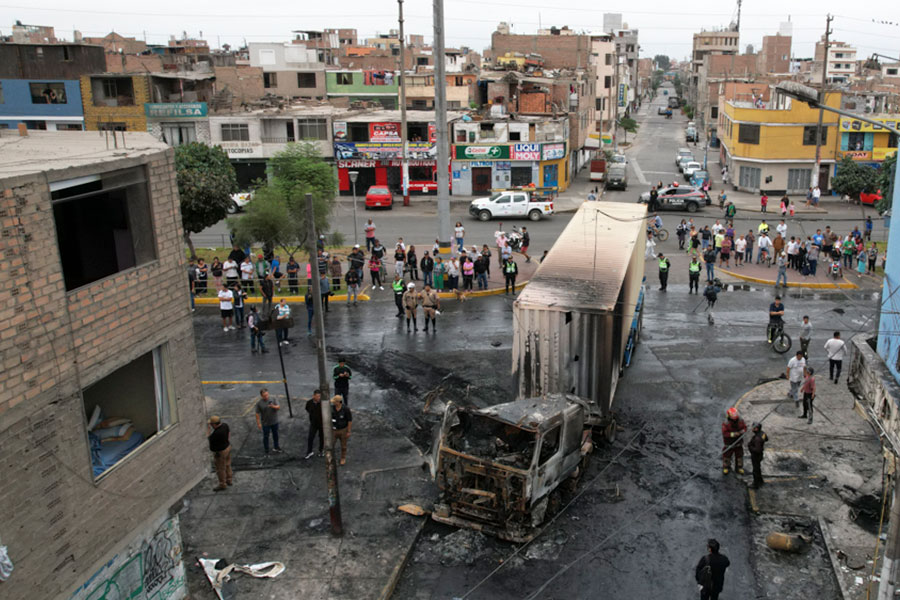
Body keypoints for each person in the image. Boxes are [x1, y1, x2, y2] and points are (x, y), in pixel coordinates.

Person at [208, 415, 232, 491]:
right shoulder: (225, 425)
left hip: (220, 452)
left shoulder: (217, 433)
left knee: (220, 469)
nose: (211, 426)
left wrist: (208, 431)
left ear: (214, 424)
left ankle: (222, 484)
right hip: (227, 447)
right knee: (228, 465)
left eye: (211, 424)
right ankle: (229, 480)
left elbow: (209, 438)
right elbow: (228, 434)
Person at [255, 389, 282, 455]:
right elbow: (257, 413)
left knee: (275, 435)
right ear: (261, 396)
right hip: (265, 423)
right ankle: (266, 449)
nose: (266, 397)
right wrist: (258, 423)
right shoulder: (259, 403)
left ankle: (276, 447)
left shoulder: (273, 399)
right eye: (264, 396)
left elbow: (278, 407)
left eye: (267, 395)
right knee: (266, 436)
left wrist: (273, 406)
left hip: (274, 421)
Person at [721, 406, 747, 475]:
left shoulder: (740, 420)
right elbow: (725, 433)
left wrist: (742, 432)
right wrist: (733, 434)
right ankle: (726, 467)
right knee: (727, 455)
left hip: (738, 443)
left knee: (739, 455)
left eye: (736, 419)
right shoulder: (726, 423)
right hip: (729, 443)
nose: (735, 420)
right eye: (733, 420)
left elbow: (745, 428)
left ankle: (739, 467)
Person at [331, 395, 352, 466]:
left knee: (343, 446)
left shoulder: (345, 409)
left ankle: (343, 458)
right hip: (334, 430)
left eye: (334, 402)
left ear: (339, 402)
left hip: (343, 430)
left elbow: (349, 420)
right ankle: (331, 457)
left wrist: (348, 431)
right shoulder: (332, 408)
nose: (333, 403)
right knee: (331, 444)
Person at [304, 389, 325, 459]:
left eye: (319, 396)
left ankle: (321, 450)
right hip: (313, 423)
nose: (318, 398)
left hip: (321, 424)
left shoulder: (322, 403)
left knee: (322, 438)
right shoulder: (309, 403)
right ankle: (309, 451)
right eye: (317, 396)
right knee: (310, 437)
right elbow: (307, 409)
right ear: (314, 396)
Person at [747, 423, 768, 489]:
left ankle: (755, 484)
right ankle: (760, 480)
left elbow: (757, 450)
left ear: (756, 428)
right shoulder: (763, 433)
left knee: (755, 470)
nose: (752, 428)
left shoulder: (757, 439)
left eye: (753, 427)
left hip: (756, 456)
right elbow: (766, 439)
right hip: (760, 455)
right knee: (758, 468)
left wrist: (750, 447)